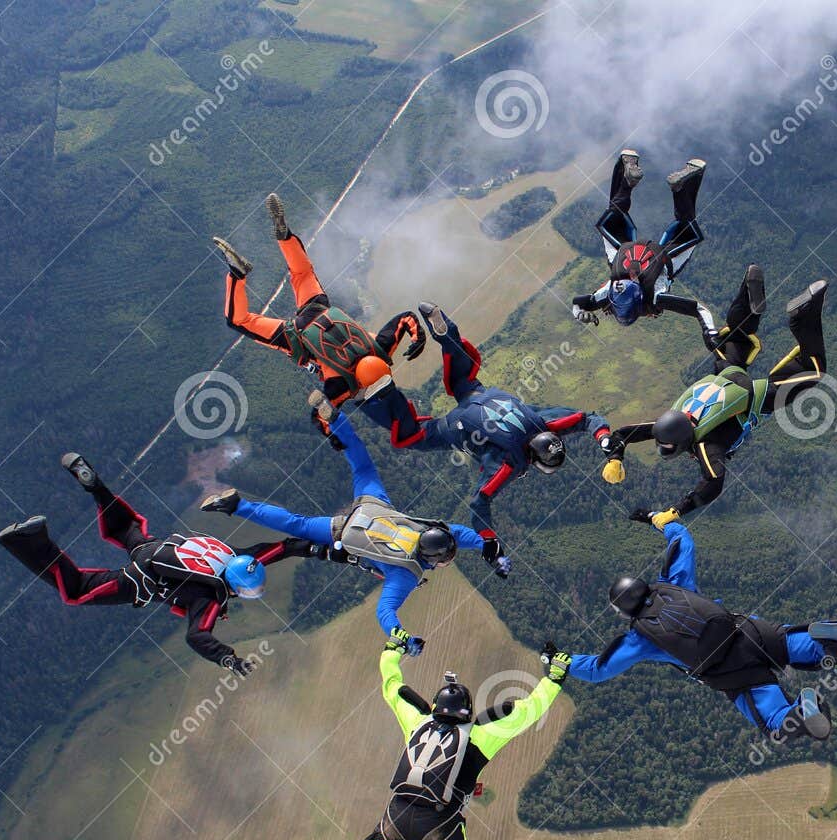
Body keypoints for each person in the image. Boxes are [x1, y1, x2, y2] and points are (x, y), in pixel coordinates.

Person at [295, 631, 569, 840]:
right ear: (467, 713)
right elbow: (529, 710)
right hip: (437, 824)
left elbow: (392, 688)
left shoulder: (417, 721)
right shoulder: (480, 735)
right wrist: (555, 678)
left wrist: (391, 651)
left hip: (395, 816)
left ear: (436, 706)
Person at [200, 405, 498, 649]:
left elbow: (460, 534)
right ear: (435, 560)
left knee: (363, 466)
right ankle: (236, 506)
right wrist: (403, 638)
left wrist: (488, 546)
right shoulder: (404, 575)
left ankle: (336, 419)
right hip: (343, 531)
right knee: (297, 524)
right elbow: (385, 613)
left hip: (373, 505)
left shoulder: (429, 534)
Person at [559, 513, 837, 740]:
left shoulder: (640, 639)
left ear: (624, 613)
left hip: (734, 673)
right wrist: (657, 519)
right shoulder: (673, 584)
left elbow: (599, 669)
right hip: (750, 632)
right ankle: (826, 636)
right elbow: (682, 541)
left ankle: (799, 709)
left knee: (776, 723)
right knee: (798, 646)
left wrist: (562, 662)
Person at [0, 454, 300, 672]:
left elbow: (279, 549)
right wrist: (227, 658)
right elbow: (196, 636)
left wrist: (324, 547)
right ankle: (31, 540)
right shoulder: (210, 599)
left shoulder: (236, 556)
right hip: (140, 578)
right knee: (76, 591)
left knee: (121, 526)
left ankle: (96, 486)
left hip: (153, 547)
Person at [381, 303, 612, 559]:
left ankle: (445, 332)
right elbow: (480, 502)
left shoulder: (545, 423)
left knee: (461, 374)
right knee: (413, 436)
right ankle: (383, 393)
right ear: (536, 460)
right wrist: (489, 539)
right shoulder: (509, 464)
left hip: (479, 395)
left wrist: (605, 440)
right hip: (458, 427)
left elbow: (586, 418)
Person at [600, 274, 831, 524]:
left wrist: (676, 511)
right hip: (725, 373)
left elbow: (713, 483)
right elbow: (625, 434)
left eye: (665, 445)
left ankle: (803, 318)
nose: (661, 447)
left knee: (813, 372)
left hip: (752, 398)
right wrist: (614, 457)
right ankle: (748, 293)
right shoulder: (671, 423)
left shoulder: (706, 445)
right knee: (736, 336)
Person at [214, 193, 426, 437]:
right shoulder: (341, 387)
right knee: (239, 320)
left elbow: (406, 318)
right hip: (297, 336)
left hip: (319, 309)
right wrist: (331, 435)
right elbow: (321, 414)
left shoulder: (381, 347)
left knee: (302, 273)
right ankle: (237, 275)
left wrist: (418, 337)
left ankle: (285, 237)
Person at [571, 149, 711, 330]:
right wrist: (579, 314)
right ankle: (626, 179)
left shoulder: (656, 298)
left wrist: (711, 334)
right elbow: (578, 302)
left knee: (687, 229)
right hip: (623, 253)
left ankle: (681, 188)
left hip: (659, 258)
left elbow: (698, 309)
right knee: (615, 214)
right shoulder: (609, 292)